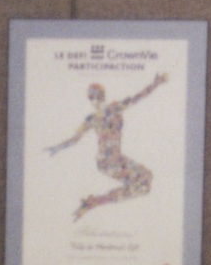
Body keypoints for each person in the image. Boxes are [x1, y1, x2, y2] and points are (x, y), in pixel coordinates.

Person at [46, 74, 168, 220]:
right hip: (106, 162)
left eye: (97, 96)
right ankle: (93, 203)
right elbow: (75, 139)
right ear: (90, 99)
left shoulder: (115, 108)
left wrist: (156, 83)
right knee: (143, 183)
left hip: (118, 159)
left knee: (146, 180)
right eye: (92, 97)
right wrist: (57, 148)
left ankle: (93, 202)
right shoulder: (92, 119)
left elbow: (137, 97)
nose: (95, 101)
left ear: (102, 97)